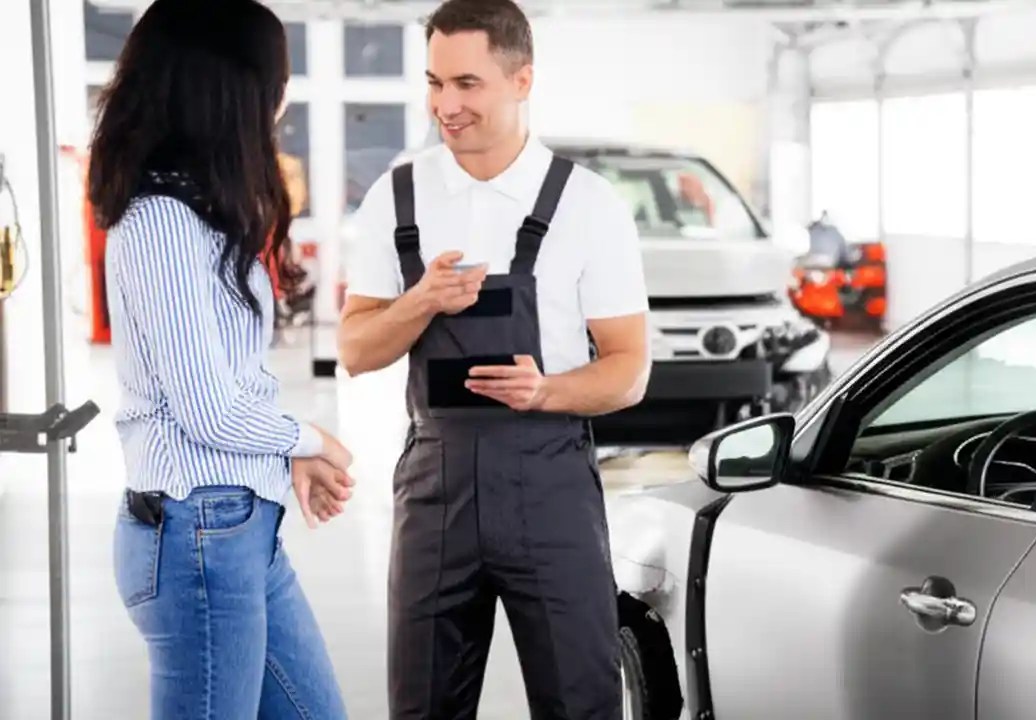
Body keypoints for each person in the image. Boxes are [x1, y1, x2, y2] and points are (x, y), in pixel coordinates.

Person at [337, 0, 651, 717]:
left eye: (467, 84)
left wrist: (545, 392)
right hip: (434, 488)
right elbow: (354, 351)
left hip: (550, 487)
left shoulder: (587, 203)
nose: (446, 105)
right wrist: (421, 301)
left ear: (521, 80)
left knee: (581, 700)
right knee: (421, 704)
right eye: (435, 83)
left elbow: (630, 368)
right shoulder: (398, 197)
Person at [88, 0, 355, 716]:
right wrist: (310, 439)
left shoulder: (199, 214)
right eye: (279, 79)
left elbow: (228, 385)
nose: (283, 99)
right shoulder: (162, 224)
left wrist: (284, 455)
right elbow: (207, 409)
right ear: (233, 92)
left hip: (237, 528)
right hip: (200, 536)